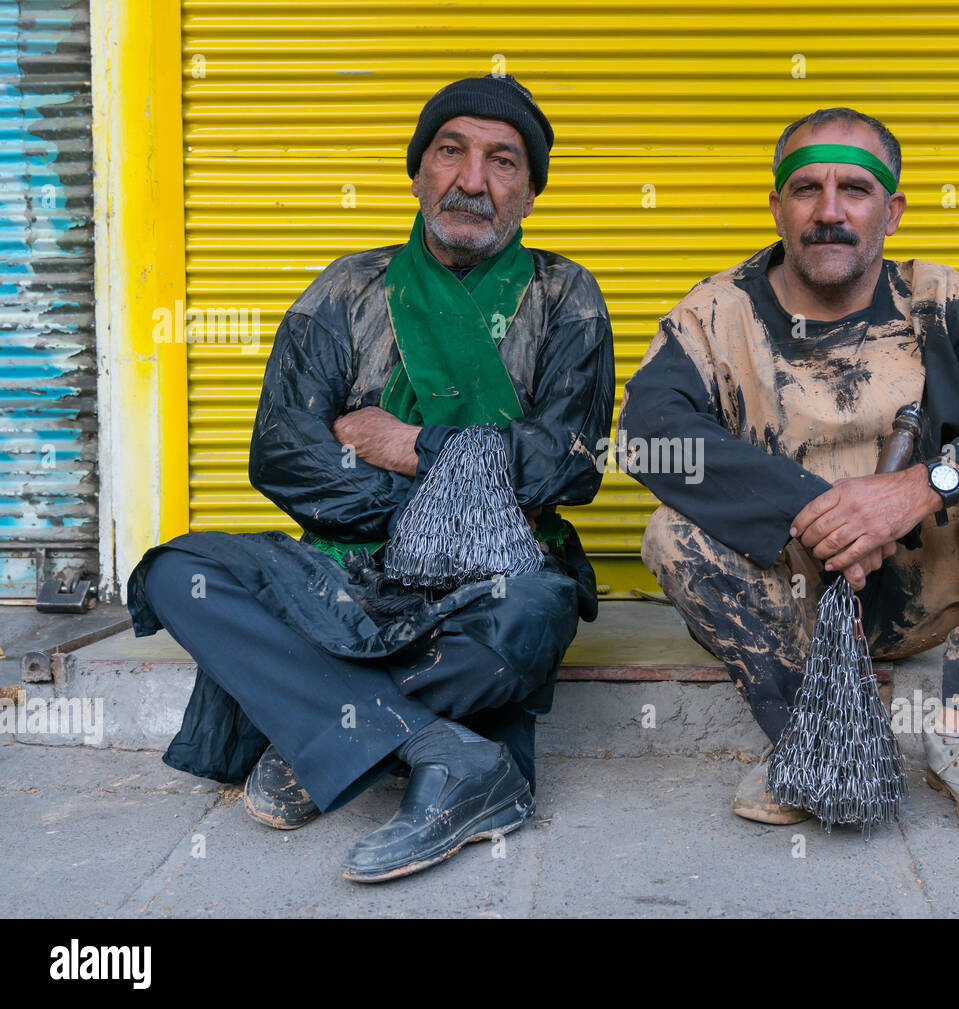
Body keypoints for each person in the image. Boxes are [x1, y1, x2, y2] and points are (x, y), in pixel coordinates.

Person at [127, 74, 614, 881]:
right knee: (181, 572)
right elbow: (282, 453)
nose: (471, 179)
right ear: (419, 171)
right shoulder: (345, 288)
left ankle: (327, 730)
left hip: (498, 580)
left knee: (531, 613)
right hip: (345, 574)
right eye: (450, 152)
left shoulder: (567, 297)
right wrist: (452, 500)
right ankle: (440, 749)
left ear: (529, 192)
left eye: (502, 161)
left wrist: (412, 445)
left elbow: (569, 462)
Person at [618, 107, 959, 842]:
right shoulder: (717, 312)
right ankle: (805, 731)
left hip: (924, 583)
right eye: (806, 189)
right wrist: (830, 513)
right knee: (671, 534)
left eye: (856, 189)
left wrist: (916, 490)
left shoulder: (936, 299)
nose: (829, 212)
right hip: (796, 593)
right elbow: (650, 432)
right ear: (777, 206)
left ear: (892, 210)